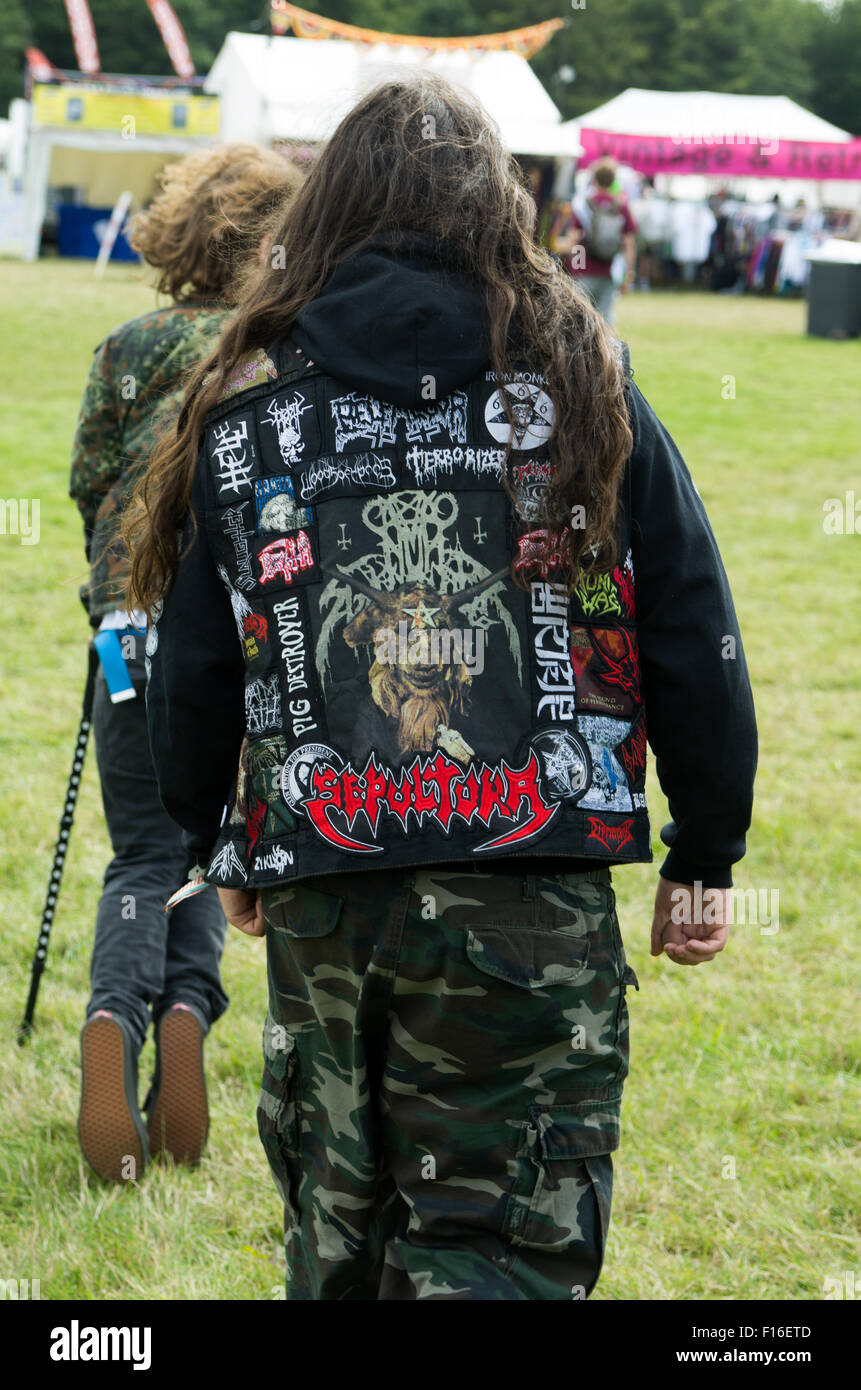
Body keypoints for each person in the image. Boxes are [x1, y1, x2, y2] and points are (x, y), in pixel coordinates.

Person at [126, 74, 757, 1299]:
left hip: (327, 881)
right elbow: (694, 623)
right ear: (494, 204)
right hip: (532, 898)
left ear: (333, 207)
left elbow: (196, 663)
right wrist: (709, 852)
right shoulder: (586, 381)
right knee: (506, 1239)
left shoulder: (247, 412)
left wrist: (223, 840)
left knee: (339, 1223)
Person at [69, 143, 300, 1184]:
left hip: (127, 631)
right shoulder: (277, 353)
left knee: (139, 854)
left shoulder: (126, 347)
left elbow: (89, 483)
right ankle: (183, 1012)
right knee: (210, 843)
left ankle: (114, 1010)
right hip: (239, 636)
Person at [551, 157, 637, 323]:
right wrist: (629, 274)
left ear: (594, 179)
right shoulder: (620, 205)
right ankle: (609, 349)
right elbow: (629, 243)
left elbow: (573, 241)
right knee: (605, 320)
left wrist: (574, 265)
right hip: (608, 269)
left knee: (579, 321)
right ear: (613, 181)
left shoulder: (583, 204)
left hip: (583, 269)